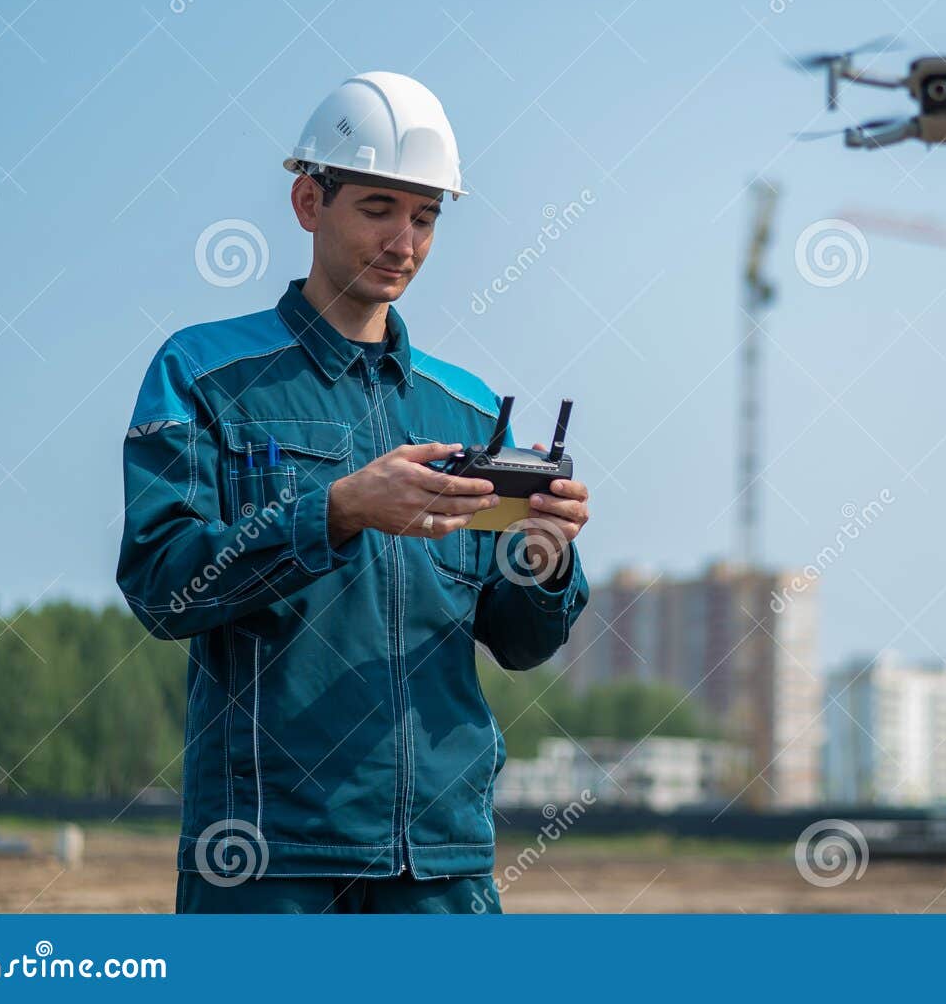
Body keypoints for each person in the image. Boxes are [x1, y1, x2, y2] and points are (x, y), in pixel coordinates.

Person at [115, 71, 591, 914]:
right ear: (308, 201)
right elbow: (161, 582)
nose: (404, 240)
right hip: (269, 865)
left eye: (427, 217)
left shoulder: (469, 411)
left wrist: (544, 558)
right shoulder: (204, 375)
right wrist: (335, 511)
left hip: (442, 870)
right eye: (378, 207)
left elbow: (517, 643)